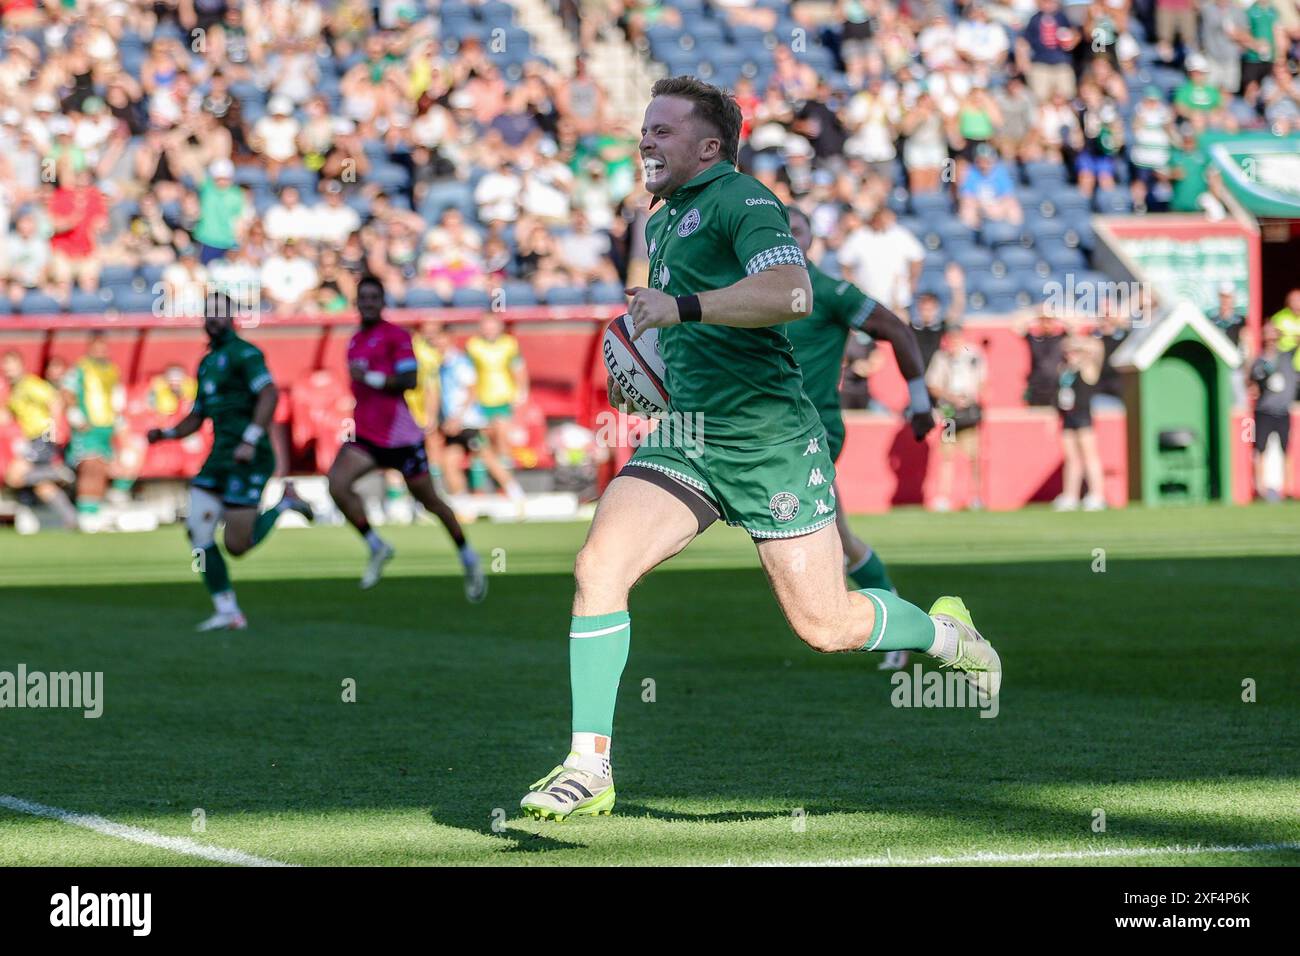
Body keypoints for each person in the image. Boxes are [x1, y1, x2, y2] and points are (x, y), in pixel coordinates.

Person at [519, 77, 1000, 822]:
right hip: (688, 435)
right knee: (598, 565)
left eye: (663, 131)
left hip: (770, 439)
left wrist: (678, 309)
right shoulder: (664, 217)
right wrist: (641, 378)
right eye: (643, 129)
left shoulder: (743, 200)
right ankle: (589, 764)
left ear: (710, 147)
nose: (646, 140)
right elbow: (683, 339)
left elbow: (791, 293)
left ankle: (944, 633)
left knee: (824, 626)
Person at [785, 205, 935, 672]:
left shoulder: (828, 292)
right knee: (837, 536)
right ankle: (895, 622)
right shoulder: (742, 294)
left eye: (798, 230)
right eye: (779, 229)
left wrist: (921, 400)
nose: (788, 236)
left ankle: (892, 625)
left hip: (810, 432)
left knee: (821, 540)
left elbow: (894, 327)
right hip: (762, 431)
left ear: (812, 241)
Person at [146, 293, 314, 630]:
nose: (214, 320)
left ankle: (285, 504)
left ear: (233, 318)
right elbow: (197, 416)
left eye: (220, 314)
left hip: (249, 457)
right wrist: (165, 433)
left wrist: (250, 439)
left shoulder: (245, 354)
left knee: (237, 546)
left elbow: (269, 394)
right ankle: (227, 610)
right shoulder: (206, 363)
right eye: (209, 314)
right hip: (220, 457)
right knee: (197, 531)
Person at [326, 275, 486, 599]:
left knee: (430, 502)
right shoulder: (354, 341)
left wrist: (369, 377)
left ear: (382, 302)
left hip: (400, 439)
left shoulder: (396, 336)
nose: (368, 303)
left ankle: (468, 556)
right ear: (356, 302)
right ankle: (376, 545)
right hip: (368, 437)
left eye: (374, 297)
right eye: (364, 297)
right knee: (337, 483)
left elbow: (409, 379)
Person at [1, 350, 77, 529]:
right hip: (33, 439)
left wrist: (55, 427)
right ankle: (71, 520)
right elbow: (7, 416)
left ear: (21, 365)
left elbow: (55, 400)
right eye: (6, 367)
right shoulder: (15, 390)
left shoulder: (30, 384)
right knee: (43, 486)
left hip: (42, 436)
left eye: (12, 365)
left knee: (14, 476)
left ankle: (58, 471)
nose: (9, 370)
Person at [60, 332, 127, 525]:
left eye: (104, 346)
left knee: (106, 467)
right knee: (91, 466)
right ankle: (85, 514)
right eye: (97, 346)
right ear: (89, 347)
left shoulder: (112, 369)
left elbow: (116, 396)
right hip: (87, 428)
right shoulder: (80, 368)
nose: (101, 350)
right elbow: (67, 392)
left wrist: (118, 420)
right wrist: (75, 415)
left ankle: (96, 510)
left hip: (106, 428)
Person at [464, 314, 527, 500]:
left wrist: (521, 392)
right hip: (480, 401)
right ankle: (478, 489)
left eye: (493, 325)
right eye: (486, 325)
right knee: (479, 445)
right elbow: (468, 374)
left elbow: (518, 369)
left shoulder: (509, 344)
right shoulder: (473, 345)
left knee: (502, 440)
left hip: (502, 399)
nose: (489, 329)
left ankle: (504, 487)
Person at [926, 324, 987, 512]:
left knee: (974, 455)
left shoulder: (973, 356)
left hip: (969, 412)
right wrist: (951, 397)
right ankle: (944, 497)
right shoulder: (941, 357)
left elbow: (983, 382)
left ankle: (976, 496)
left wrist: (970, 398)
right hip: (951, 414)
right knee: (947, 455)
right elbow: (933, 384)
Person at [1053, 334, 1107, 511]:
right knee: (1071, 459)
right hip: (1068, 416)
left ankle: (1097, 494)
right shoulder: (1064, 370)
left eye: (1074, 352)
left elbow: (1097, 348)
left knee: (1089, 456)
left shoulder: (1087, 368)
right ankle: (1070, 495)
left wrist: (1082, 348)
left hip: (1083, 417)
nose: (1070, 354)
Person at [1249, 323, 1297, 502]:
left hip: (1283, 412)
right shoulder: (1260, 361)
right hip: (1264, 412)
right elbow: (1251, 383)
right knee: (1259, 449)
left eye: (1273, 335)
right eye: (1266, 336)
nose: (1270, 340)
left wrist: (1285, 334)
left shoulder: (1286, 357)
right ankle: (1260, 490)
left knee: (1287, 450)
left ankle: (1288, 489)